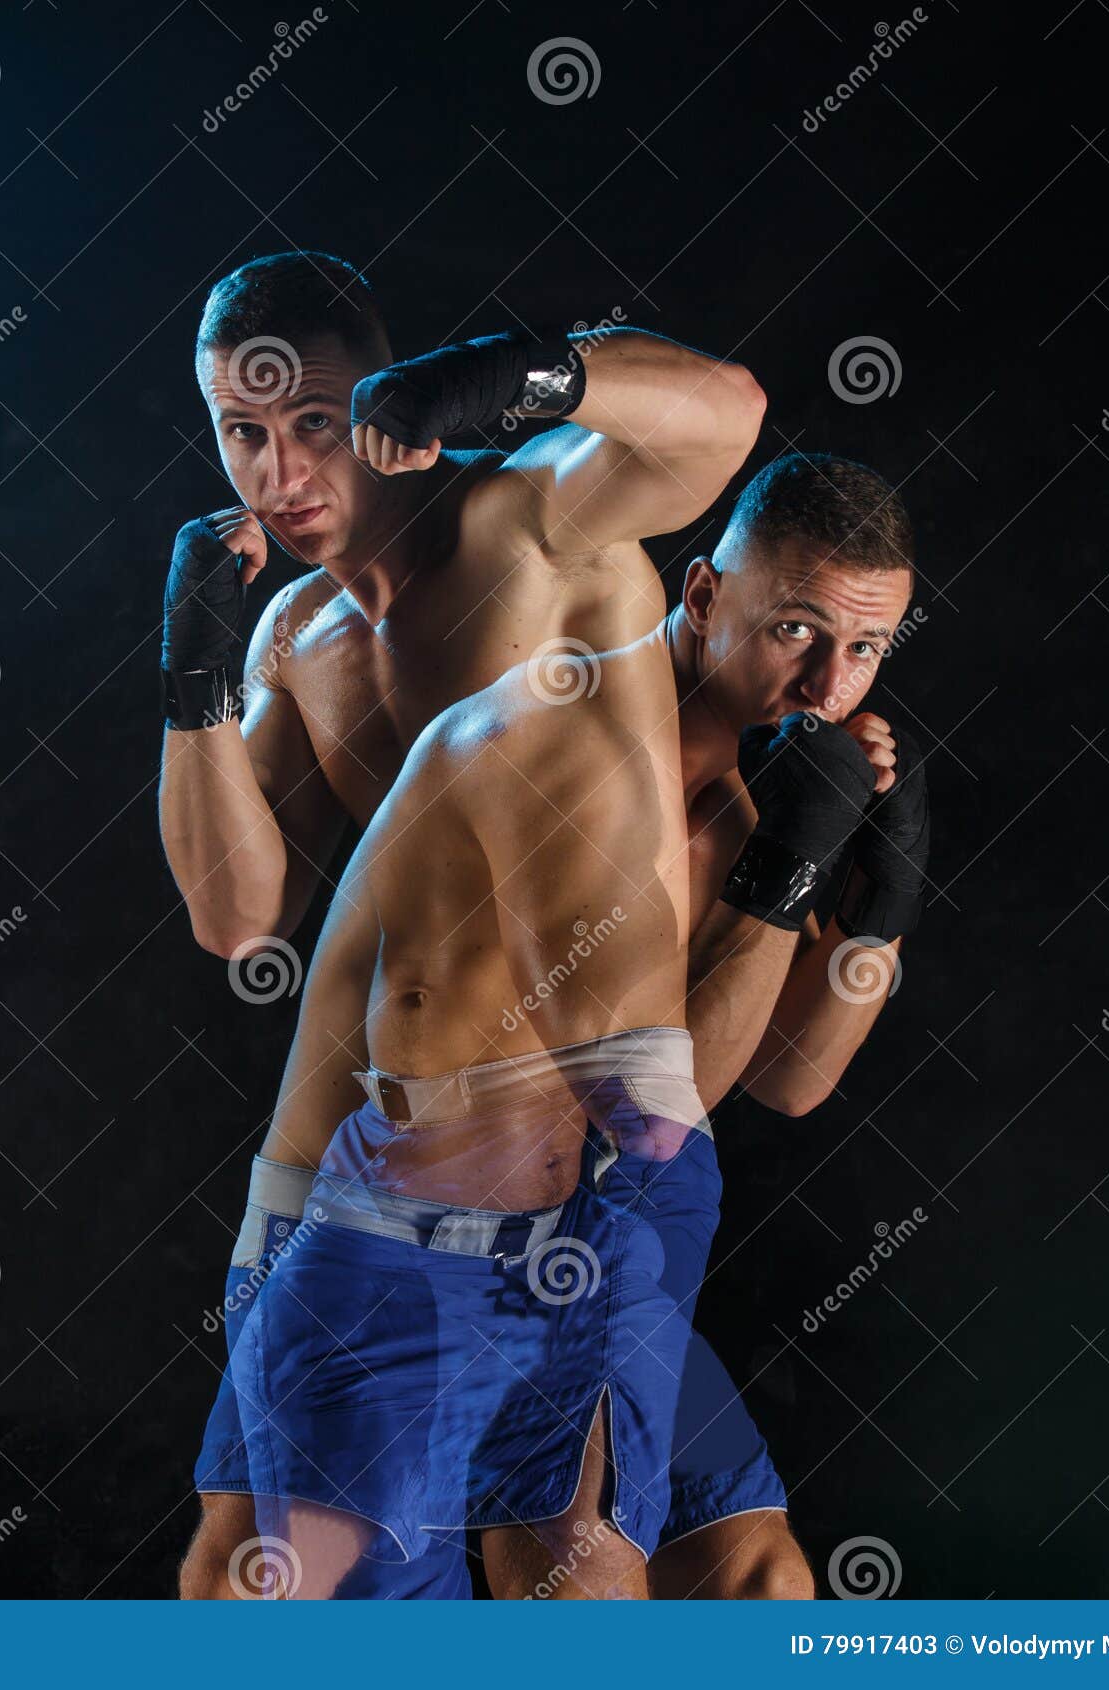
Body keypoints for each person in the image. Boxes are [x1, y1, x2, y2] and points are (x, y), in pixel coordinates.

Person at [184, 453, 929, 1598]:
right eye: (796, 630)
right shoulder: (567, 740)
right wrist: (789, 874)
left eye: (866, 648)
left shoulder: (749, 802)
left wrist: (876, 910)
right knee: (292, 1585)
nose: (829, 684)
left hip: (572, 1244)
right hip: (402, 1243)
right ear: (701, 595)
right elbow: (655, 1113)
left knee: (749, 1579)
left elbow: (790, 1077)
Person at [160, 249, 769, 1596]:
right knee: (291, 1567)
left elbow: (725, 417)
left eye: (314, 420)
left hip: (582, 1165)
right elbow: (235, 911)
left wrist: (517, 377)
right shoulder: (293, 638)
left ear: (382, 395)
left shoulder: (526, 521)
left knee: (609, 1560)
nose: (280, 471)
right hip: (393, 1179)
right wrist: (193, 673)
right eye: (243, 432)